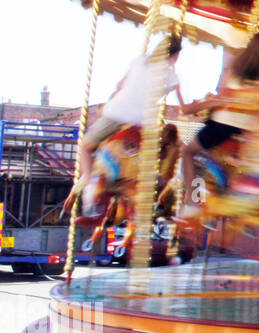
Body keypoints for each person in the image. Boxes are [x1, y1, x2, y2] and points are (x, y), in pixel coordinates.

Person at [63, 37, 188, 215]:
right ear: (175, 55)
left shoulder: (140, 61)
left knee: (86, 146)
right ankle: (160, 190)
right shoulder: (172, 76)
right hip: (142, 122)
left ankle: (89, 185)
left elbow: (119, 85)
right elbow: (184, 107)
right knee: (162, 158)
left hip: (117, 112)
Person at [179, 33, 259, 215]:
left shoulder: (235, 68)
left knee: (188, 152)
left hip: (223, 123)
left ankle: (192, 200)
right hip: (247, 128)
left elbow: (222, 93)